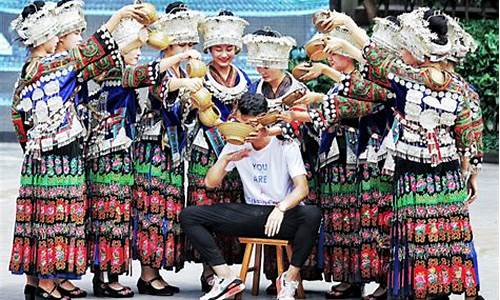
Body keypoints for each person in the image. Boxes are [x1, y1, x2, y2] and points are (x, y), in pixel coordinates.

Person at [320, 8, 482, 300]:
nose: (402, 51)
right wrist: (471, 173)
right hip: (448, 174)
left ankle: (420, 291)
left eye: (406, 47)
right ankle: (441, 291)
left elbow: (375, 55)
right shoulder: (462, 89)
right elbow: (468, 135)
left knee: (416, 237)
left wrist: (346, 24)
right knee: (446, 235)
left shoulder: (407, 77)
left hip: (412, 170)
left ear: (419, 51)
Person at [8, 2, 148, 300]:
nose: (59, 38)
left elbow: (17, 117)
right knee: (55, 218)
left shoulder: (31, 69)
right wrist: (118, 17)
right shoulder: (52, 65)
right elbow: (91, 52)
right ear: (44, 39)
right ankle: (47, 285)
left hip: (38, 156)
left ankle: (35, 283)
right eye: (56, 35)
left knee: (37, 218)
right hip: (59, 155)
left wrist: (32, 145)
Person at [83, 11, 192, 297]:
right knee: (108, 216)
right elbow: (148, 73)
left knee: (116, 217)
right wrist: (178, 57)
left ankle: (109, 275)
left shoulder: (121, 74)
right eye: (135, 49)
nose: (139, 53)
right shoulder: (117, 73)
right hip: (106, 154)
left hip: (118, 155)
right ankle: (105, 278)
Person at [180, 91, 321, 300]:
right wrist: (227, 159)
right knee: (189, 216)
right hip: (250, 214)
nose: (252, 129)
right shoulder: (238, 141)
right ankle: (226, 277)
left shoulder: (284, 143)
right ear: (239, 120)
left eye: (257, 123)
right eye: (247, 123)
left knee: (312, 214)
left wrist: (281, 207)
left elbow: (302, 189)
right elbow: (210, 183)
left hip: (280, 216)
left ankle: (289, 278)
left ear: (266, 118)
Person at [132, 1, 203, 296]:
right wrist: (187, 82)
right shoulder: (156, 68)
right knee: (151, 209)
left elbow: (186, 113)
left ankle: (155, 270)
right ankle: (148, 275)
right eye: (179, 42)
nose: (184, 47)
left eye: (188, 42)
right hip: (151, 150)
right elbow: (162, 92)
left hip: (172, 151)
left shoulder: (182, 70)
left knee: (168, 211)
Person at [185, 9, 251, 292]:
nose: (223, 54)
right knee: (205, 204)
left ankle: (227, 269)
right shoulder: (198, 77)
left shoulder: (245, 77)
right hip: (206, 151)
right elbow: (186, 114)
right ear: (208, 49)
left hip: (234, 151)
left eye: (228, 48)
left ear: (235, 48)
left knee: (229, 207)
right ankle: (209, 269)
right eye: (217, 49)